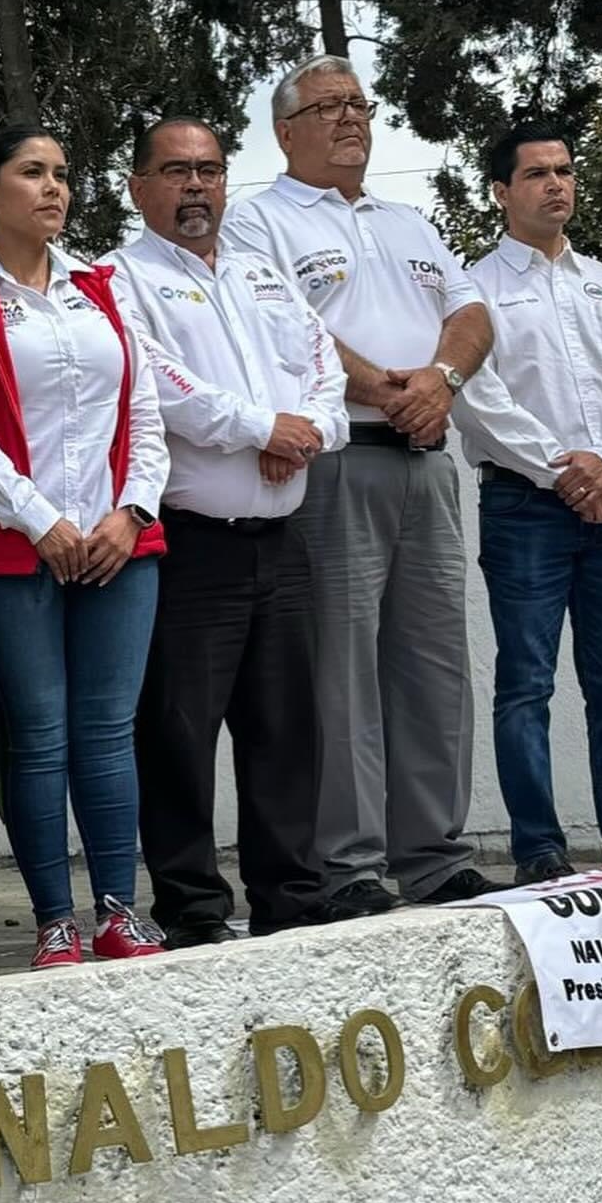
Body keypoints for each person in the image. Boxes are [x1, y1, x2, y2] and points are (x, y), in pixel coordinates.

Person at [223, 55, 496, 907]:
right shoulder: (257, 220)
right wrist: (388, 390)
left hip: (426, 463)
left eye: (360, 105)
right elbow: (283, 324)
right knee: (340, 674)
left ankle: (435, 854)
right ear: (285, 131)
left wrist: (440, 383)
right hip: (338, 462)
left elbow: (472, 312)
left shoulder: (409, 222)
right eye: (329, 107)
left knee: (435, 666)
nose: (350, 119)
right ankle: (350, 865)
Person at [102, 116, 351, 944]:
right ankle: (193, 909)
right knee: (178, 731)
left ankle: (292, 899)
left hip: (283, 540)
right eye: (176, 171)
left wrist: (306, 431)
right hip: (192, 545)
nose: (196, 186)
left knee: (287, 729)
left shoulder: (260, 273)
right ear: (138, 187)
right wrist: (259, 428)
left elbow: (323, 366)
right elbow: (156, 382)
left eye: (209, 170)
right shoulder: (120, 280)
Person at [0, 125, 169, 969]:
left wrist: (131, 511)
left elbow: (144, 411)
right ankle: (53, 923)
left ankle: (119, 913)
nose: (53, 188)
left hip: (118, 545)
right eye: (31, 172)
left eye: (63, 174)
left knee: (108, 731)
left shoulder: (102, 288)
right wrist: (37, 518)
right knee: (37, 736)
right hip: (17, 548)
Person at [453, 121, 602, 883]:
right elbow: (477, 400)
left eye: (565, 170)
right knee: (525, 684)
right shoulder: (474, 290)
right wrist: (567, 474)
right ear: (500, 191)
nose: (557, 184)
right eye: (537, 173)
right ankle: (539, 854)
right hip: (524, 508)